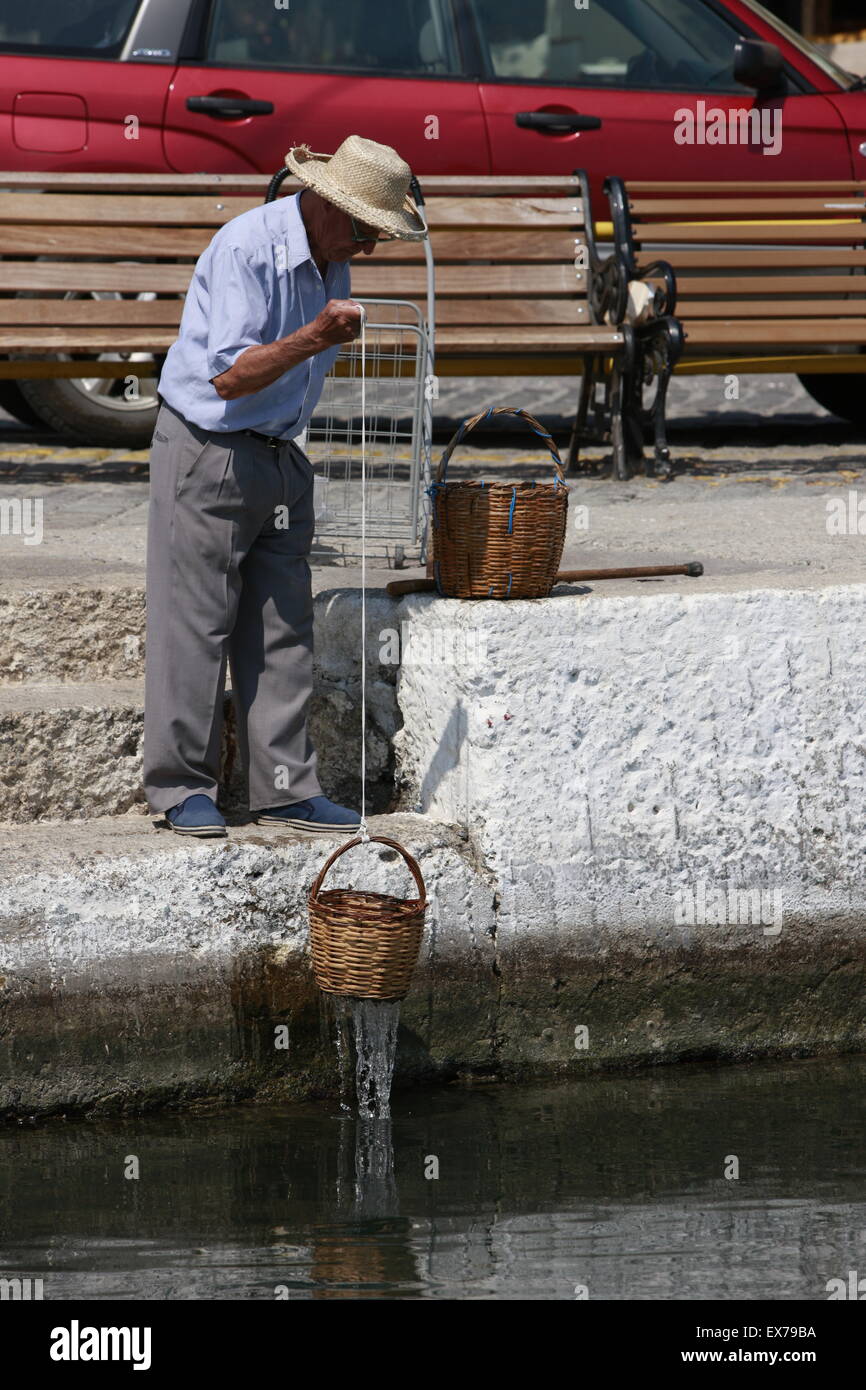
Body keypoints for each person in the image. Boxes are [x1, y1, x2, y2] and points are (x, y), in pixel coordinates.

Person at [143, 135, 427, 838]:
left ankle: (285, 790)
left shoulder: (331, 256)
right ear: (329, 202)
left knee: (281, 630)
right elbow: (228, 377)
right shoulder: (248, 249)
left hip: (278, 458)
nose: (367, 249)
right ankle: (182, 790)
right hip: (208, 453)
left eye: (378, 238)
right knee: (196, 626)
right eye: (365, 231)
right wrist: (315, 335)